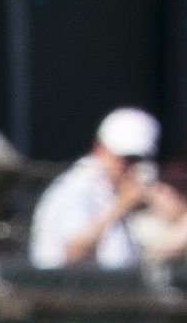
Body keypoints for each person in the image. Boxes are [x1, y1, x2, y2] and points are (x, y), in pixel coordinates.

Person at [29, 104, 167, 267]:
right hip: (67, 283)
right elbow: (72, 253)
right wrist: (121, 205)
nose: (129, 167)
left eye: (137, 160)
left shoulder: (114, 190)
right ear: (100, 149)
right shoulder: (78, 189)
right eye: (124, 159)